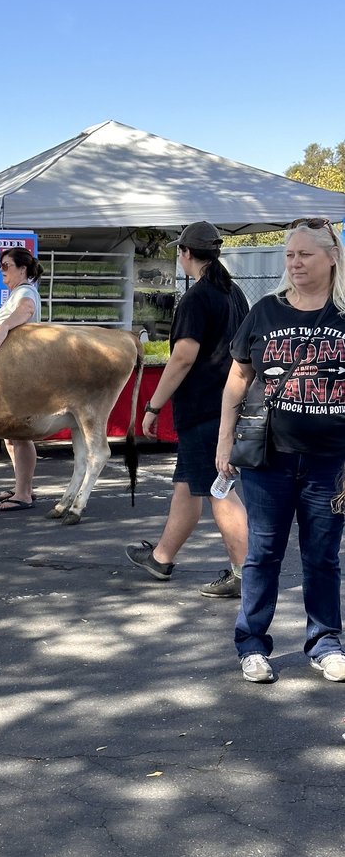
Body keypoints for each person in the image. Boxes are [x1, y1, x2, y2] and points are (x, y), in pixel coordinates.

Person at [216, 218, 345, 683]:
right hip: (269, 457)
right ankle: (251, 644)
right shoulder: (266, 312)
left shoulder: (344, 315)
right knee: (263, 553)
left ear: (332, 257)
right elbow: (238, 377)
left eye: (305, 255)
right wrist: (224, 439)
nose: (295, 264)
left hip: (332, 460)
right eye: (290, 256)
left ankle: (325, 642)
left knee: (323, 556)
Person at [125, 221, 249, 596]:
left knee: (218, 488)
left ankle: (247, 575)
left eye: (179, 251)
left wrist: (152, 405)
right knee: (189, 485)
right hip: (226, 404)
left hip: (203, 409)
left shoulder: (197, 298)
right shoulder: (235, 294)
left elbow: (181, 357)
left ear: (187, 254)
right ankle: (161, 558)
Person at [0, 246, 44, 511]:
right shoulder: (16, 294)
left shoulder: (24, 292)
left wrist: (2, 328)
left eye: (6, 266)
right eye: (0, 266)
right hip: (7, 375)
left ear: (22, 269)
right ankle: (22, 487)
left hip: (16, 374)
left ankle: (23, 493)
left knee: (20, 435)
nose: (1, 270)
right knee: (13, 437)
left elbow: (26, 310)